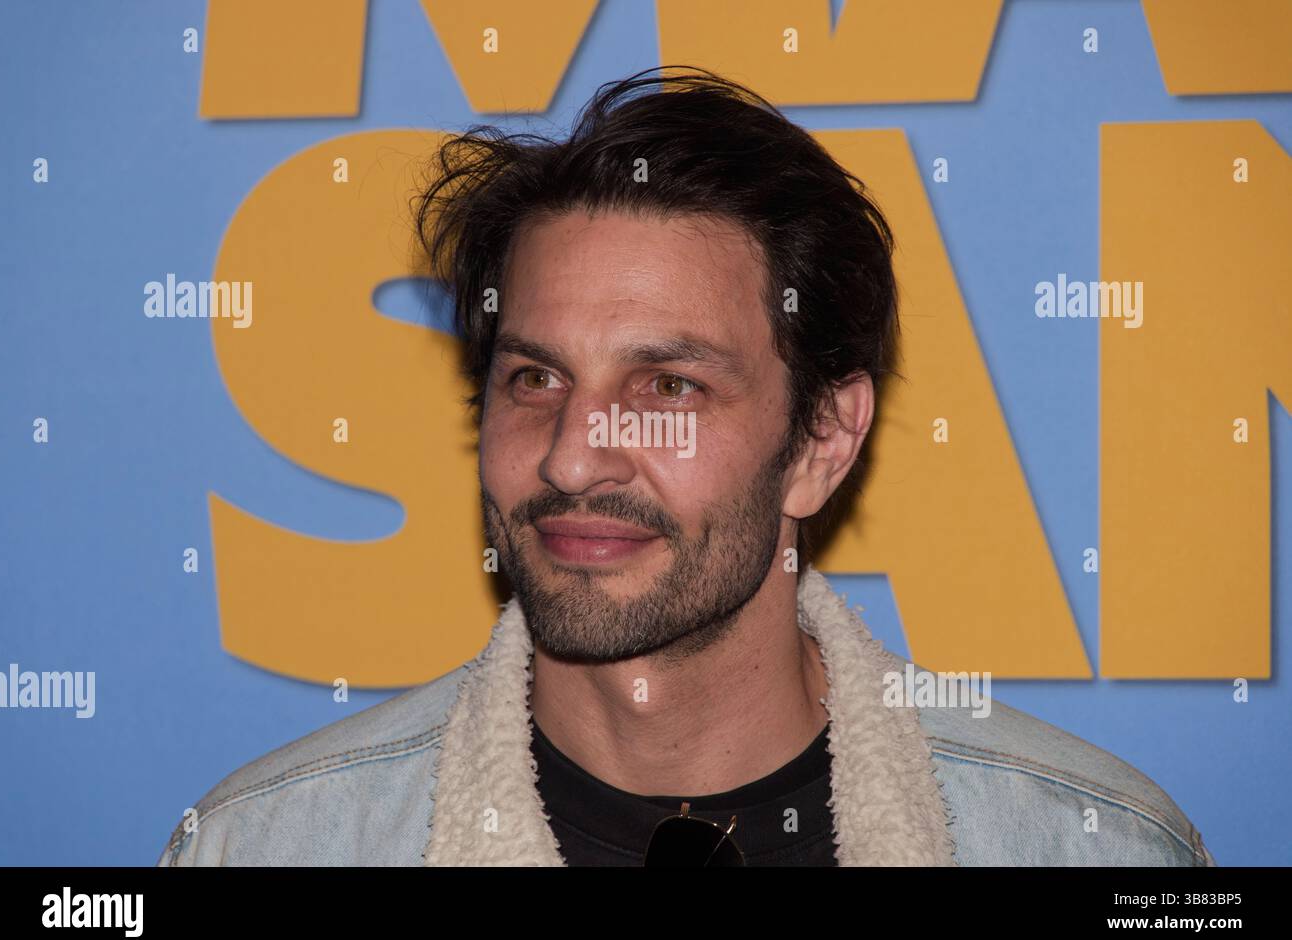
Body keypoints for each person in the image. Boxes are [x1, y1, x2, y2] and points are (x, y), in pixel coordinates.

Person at [158, 67, 1213, 867]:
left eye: (668, 387)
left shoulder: (1086, 847)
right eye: (534, 378)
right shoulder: (269, 846)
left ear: (820, 442)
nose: (572, 453)